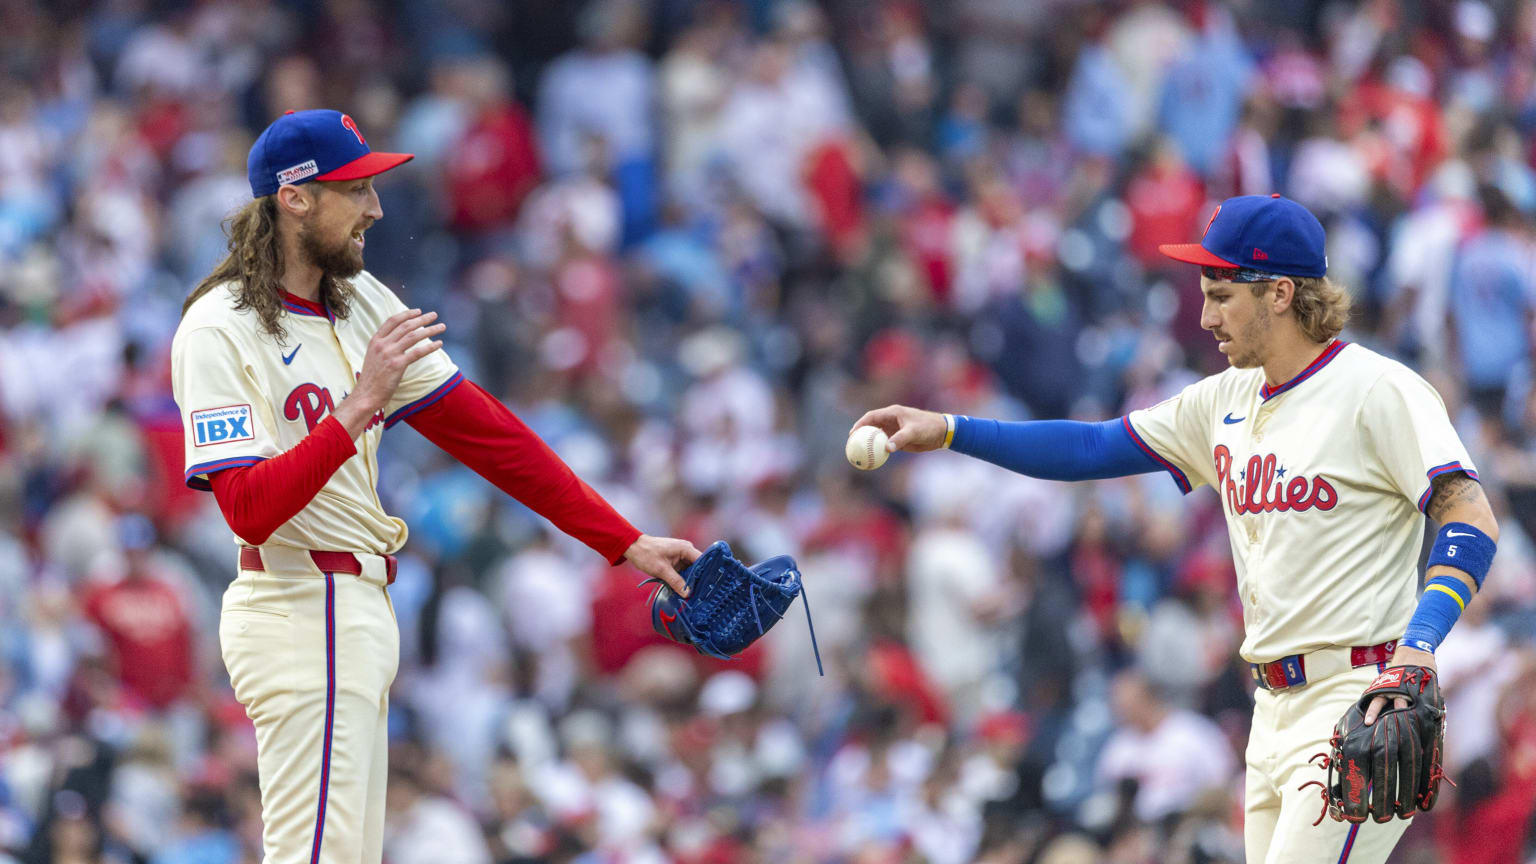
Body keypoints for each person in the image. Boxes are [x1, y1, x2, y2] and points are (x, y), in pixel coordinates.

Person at [854, 193, 1500, 863]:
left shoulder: (1376, 389)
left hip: (1358, 692)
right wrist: (951, 430)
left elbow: (1468, 514)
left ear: (1280, 292)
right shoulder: (1223, 398)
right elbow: (1090, 449)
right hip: (1270, 711)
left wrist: (1419, 647)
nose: (1205, 316)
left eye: (1222, 295)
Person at [170, 109, 701, 864]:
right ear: (295, 198)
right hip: (297, 601)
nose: (376, 208)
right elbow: (249, 511)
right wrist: (359, 405)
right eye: (355, 189)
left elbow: (490, 437)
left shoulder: (361, 304)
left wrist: (622, 540)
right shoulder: (218, 327)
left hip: (355, 607)